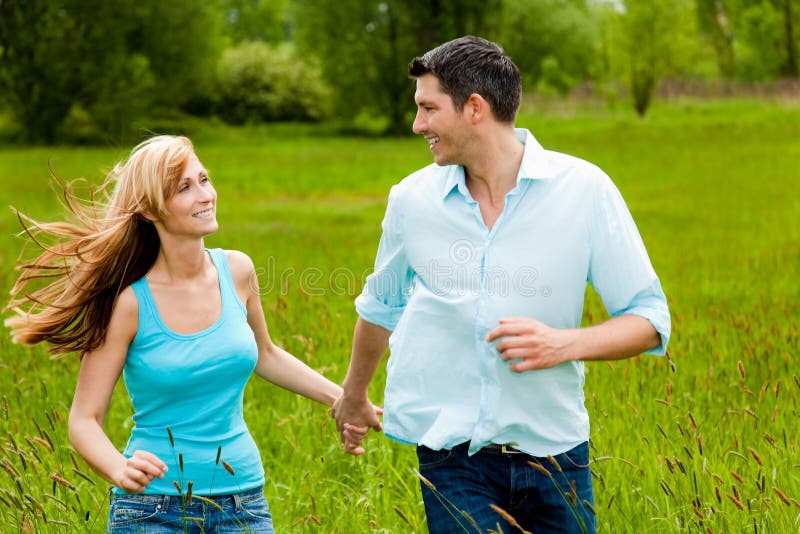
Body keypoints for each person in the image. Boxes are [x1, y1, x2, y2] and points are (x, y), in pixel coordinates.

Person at [332, 36, 671, 533]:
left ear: (474, 108)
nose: (417, 124)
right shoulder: (412, 200)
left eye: (428, 108)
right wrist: (354, 395)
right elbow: (381, 306)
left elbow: (649, 319)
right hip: (453, 458)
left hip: (556, 456)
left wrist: (563, 345)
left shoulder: (584, 190)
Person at [5, 135, 366, 532]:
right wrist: (119, 469)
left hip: (242, 501)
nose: (205, 195)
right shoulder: (129, 304)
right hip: (152, 510)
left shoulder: (238, 271)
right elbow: (84, 419)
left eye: (204, 179)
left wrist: (344, 399)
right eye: (185, 187)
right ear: (148, 209)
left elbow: (267, 355)